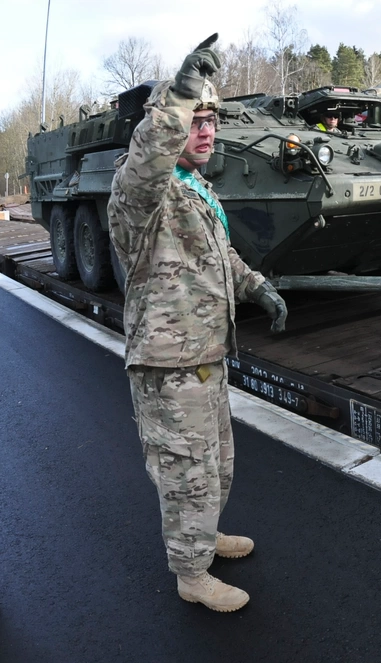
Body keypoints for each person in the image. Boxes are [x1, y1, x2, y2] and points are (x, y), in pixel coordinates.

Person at [107, 34, 288, 613]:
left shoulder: (196, 190)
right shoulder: (141, 195)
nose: (205, 131)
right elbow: (148, 161)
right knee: (186, 472)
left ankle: (205, 538)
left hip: (205, 353)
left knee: (216, 462)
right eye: (195, 119)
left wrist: (256, 286)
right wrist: (180, 95)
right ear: (171, 125)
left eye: (211, 119)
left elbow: (218, 258)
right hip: (168, 361)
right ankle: (190, 572)